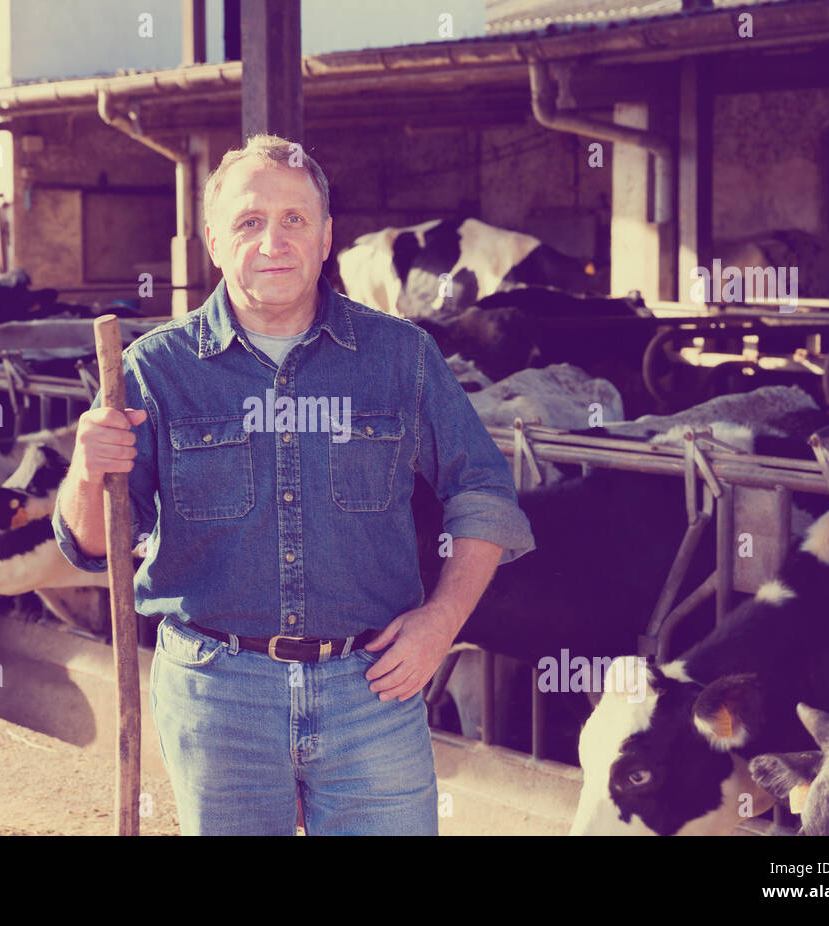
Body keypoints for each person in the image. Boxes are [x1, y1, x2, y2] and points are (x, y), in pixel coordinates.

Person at [53, 134, 534, 835]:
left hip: (370, 690)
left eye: (294, 220)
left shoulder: (402, 356)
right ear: (214, 242)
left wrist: (442, 623)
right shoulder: (154, 371)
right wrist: (86, 467)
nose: (272, 241)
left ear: (327, 235)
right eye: (249, 222)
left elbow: (484, 494)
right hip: (221, 695)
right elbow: (93, 548)